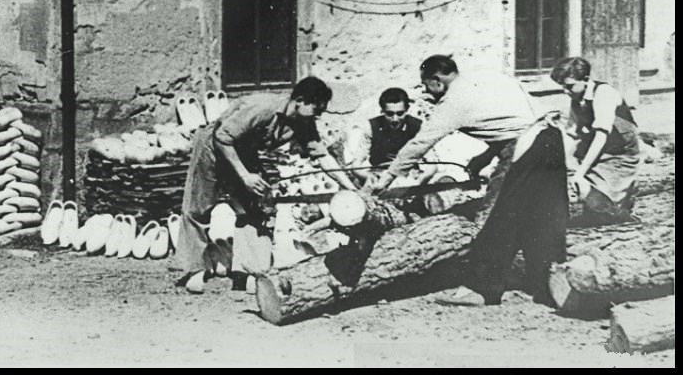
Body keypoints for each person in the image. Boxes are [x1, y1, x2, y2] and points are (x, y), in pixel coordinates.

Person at [372, 54, 568, 307]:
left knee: (498, 216)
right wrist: (485, 158)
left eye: (425, 84)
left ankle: (481, 288)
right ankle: (546, 283)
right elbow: (513, 121)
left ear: (437, 79)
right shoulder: (485, 76)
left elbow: (421, 142)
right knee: (543, 216)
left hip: (526, 146)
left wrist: (387, 177)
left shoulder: (454, 100)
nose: (426, 91)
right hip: (552, 140)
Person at [177, 76, 345, 294]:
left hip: (243, 151)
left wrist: (350, 186)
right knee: (198, 207)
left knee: (258, 207)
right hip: (213, 146)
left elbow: (322, 156)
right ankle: (195, 270)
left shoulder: (304, 123)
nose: (319, 115)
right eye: (316, 109)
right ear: (300, 101)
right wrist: (245, 176)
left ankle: (249, 271)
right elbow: (223, 137)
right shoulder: (263, 108)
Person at [550, 56, 641, 222]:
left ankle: (621, 202)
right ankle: (603, 204)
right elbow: (572, 133)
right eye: (562, 87)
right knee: (577, 183)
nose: (566, 91)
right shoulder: (577, 99)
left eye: (570, 86)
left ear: (585, 79)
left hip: (621, 151)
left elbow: (601, 136)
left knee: (592, 190)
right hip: (597, 147)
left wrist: (580, 172)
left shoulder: (604, 93)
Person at [341, 87, 423, 186]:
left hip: (409, 175)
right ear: (382, 111)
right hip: (379, 173)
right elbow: (356, 165)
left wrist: (416, 183)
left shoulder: (418, 126)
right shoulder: (371, 127)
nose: (395, 119)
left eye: (400, 113)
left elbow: (433, 166)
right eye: (389, 114)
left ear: (407, 110)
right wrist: (368, 177)